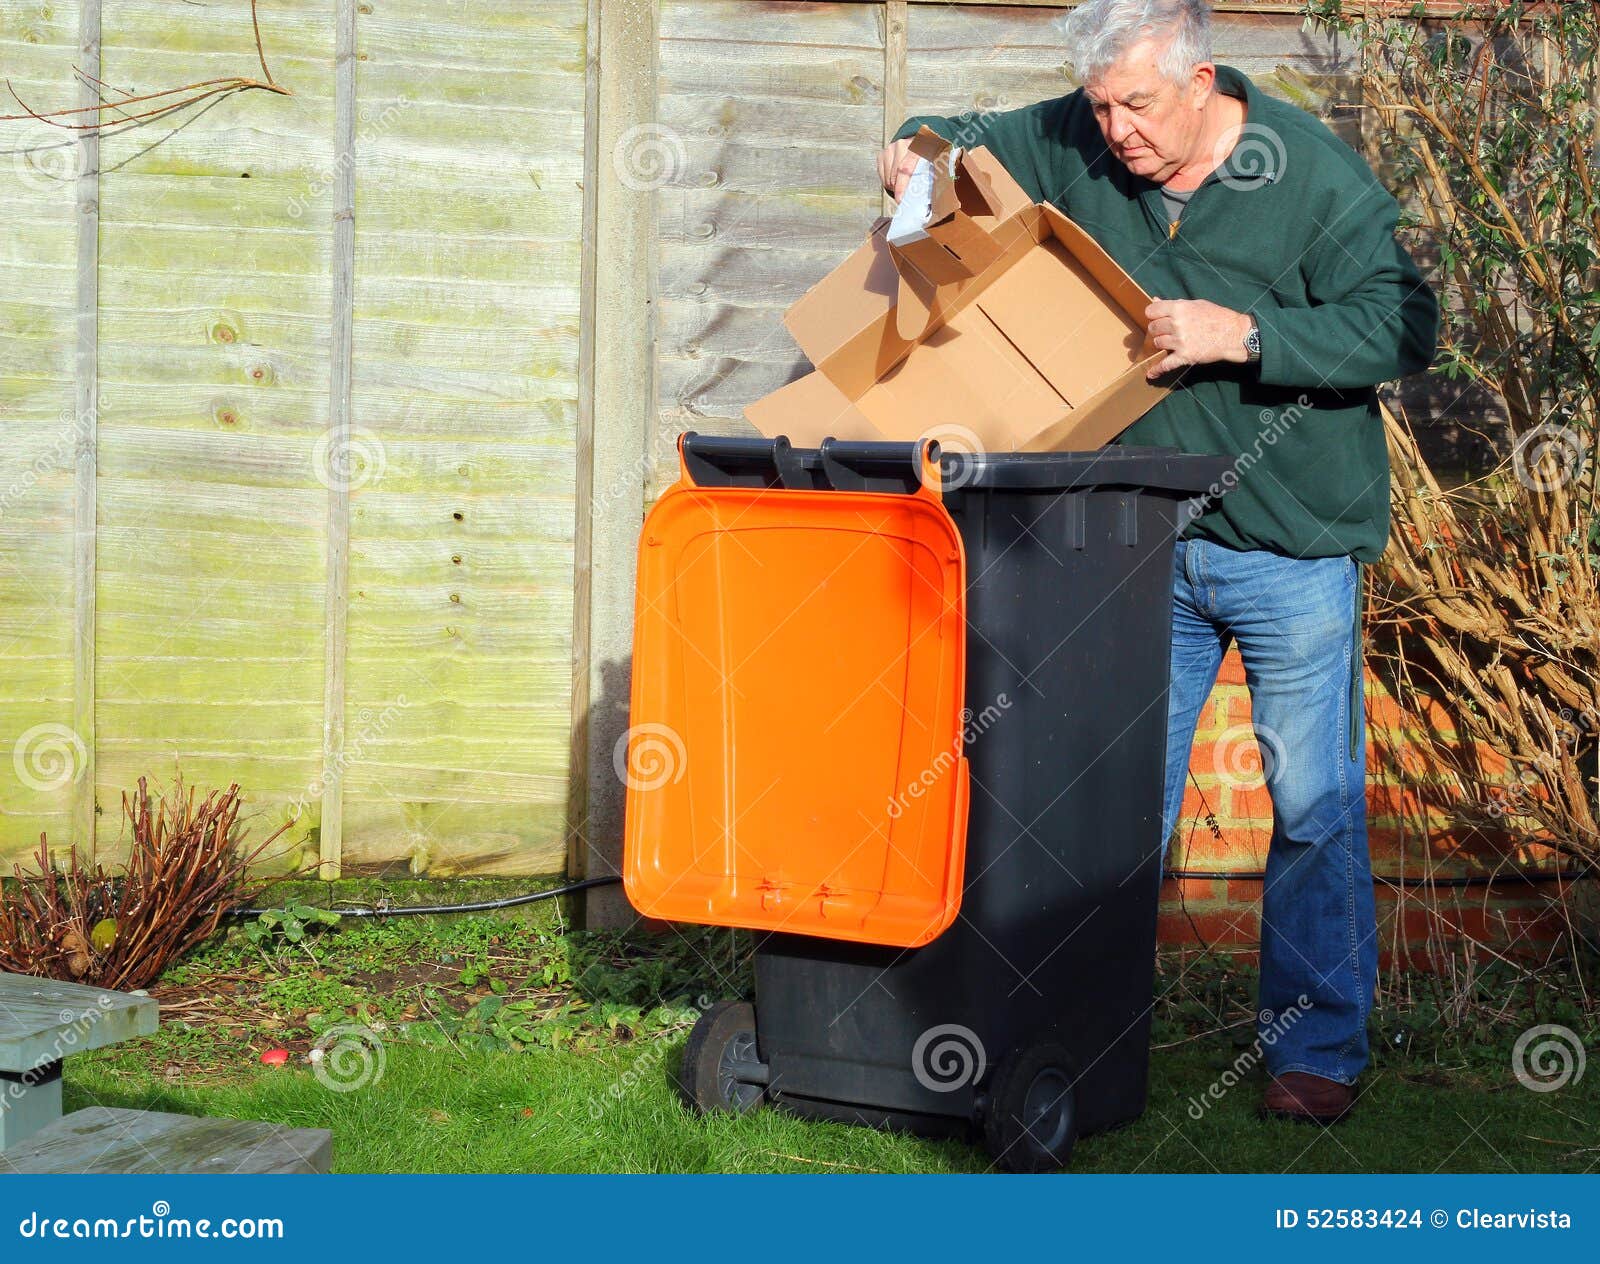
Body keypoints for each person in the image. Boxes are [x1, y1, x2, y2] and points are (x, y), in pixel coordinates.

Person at [877, 0, 1438, 1123]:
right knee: (1111, 804)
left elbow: (1403, 326)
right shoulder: (1081, 134)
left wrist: (1247, 336)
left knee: (1314, 804)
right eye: (1100, 106)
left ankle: (1315, 1049)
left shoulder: (1310, 175)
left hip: (1293, 544)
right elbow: (954, 134)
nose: (1117, 131)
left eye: (1137, 104)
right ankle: (1083, 1037)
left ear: (1202, 80)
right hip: (1139, 540)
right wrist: (913, 150)